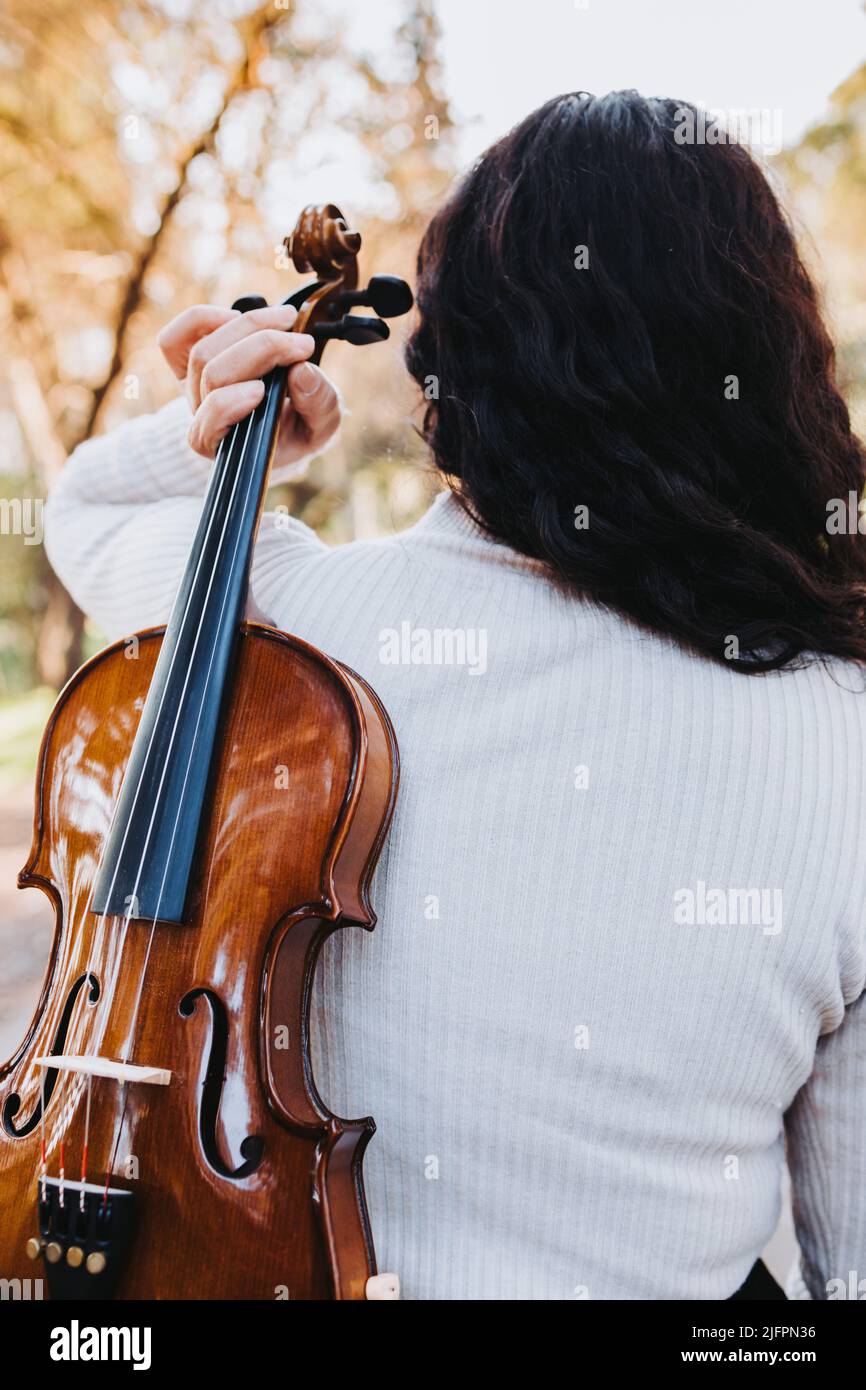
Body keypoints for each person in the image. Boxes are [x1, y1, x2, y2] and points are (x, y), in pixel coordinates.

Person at [44, 90, 866, 1301]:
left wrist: (221, 429)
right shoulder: (839, 735)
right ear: (768, 370)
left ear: (451, 364)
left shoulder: (279, 630)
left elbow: (89, 511)